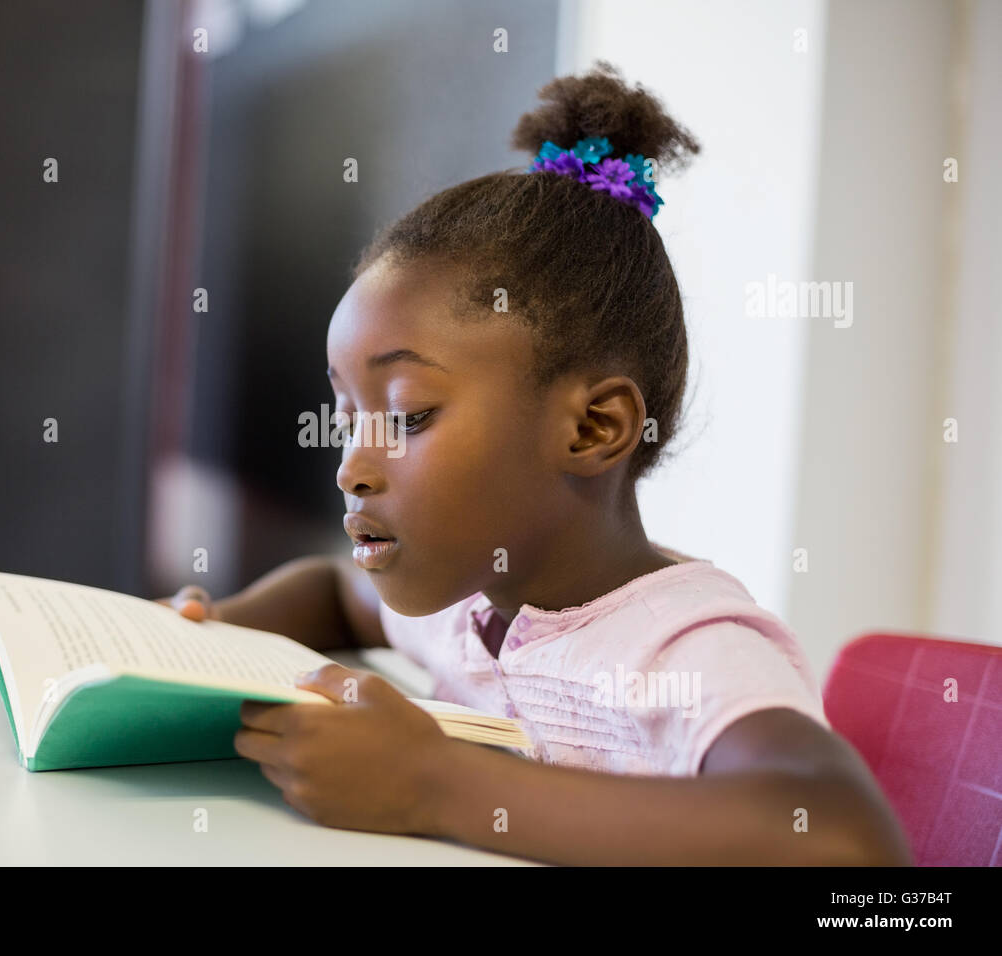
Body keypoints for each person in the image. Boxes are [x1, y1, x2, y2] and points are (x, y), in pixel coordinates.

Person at [159, 62, 911, 866]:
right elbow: (335, 594)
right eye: (347, 420)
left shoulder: (681, 651)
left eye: (407, 414)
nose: (351, 468)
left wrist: (432, 783)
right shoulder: (464, 605)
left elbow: (844, 839)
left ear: (593, 428)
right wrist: (207, 636)